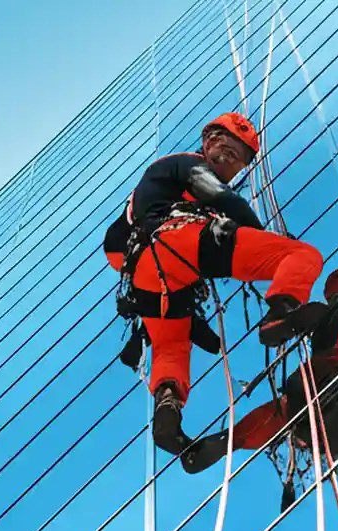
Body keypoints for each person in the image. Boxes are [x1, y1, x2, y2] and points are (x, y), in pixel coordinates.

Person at [104, 112, 326, 454]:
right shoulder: (184, 164)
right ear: (206, 141)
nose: (227, 156)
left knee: (171, 347)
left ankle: (168, 405)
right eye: (223, 144)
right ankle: (282, 309)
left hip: (149, 278)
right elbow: (222, 197)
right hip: (183, 244)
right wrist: (257, 234)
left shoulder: (145, 195)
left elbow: (113, 249)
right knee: (300, 255)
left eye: (236, 156)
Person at [181, 262, 338, 482]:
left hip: (330, 395)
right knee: (292, 406)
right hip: (332, 400)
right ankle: (231, 441)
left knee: (288, 409)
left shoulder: (336, 332)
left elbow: (272, 338)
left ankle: (231, 441)